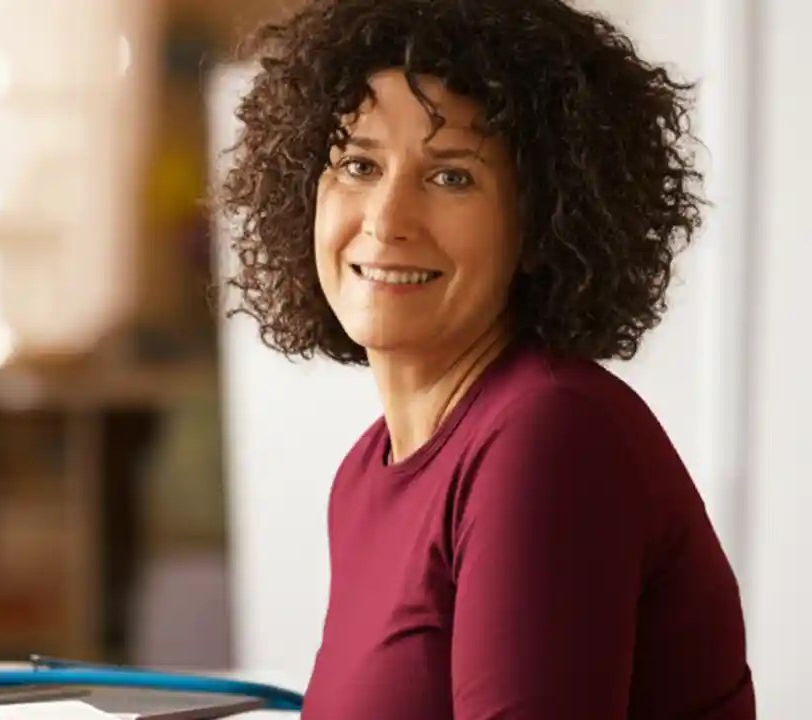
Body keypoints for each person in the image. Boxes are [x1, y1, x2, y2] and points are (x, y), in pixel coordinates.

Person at [218, 0, 755, 717]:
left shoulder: (549, 436)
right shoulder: (364, 474)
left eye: (451, 177)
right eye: (357, 164)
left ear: (542, 220)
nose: (386, 219)